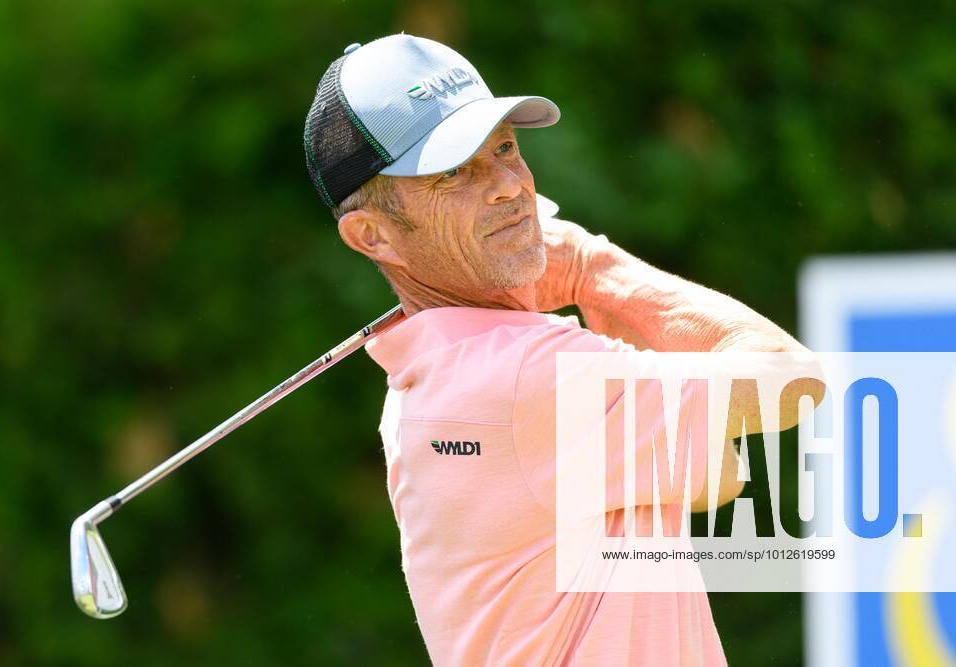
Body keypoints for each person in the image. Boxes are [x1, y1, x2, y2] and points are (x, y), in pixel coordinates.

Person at [304, 33, 818, 666]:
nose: (508, 186)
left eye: (505, 147)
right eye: (454, 173)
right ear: (373, 236)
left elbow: (720, 475)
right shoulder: (525, 375)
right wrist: (588, 267)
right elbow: (788, 379)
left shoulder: (435, 385)